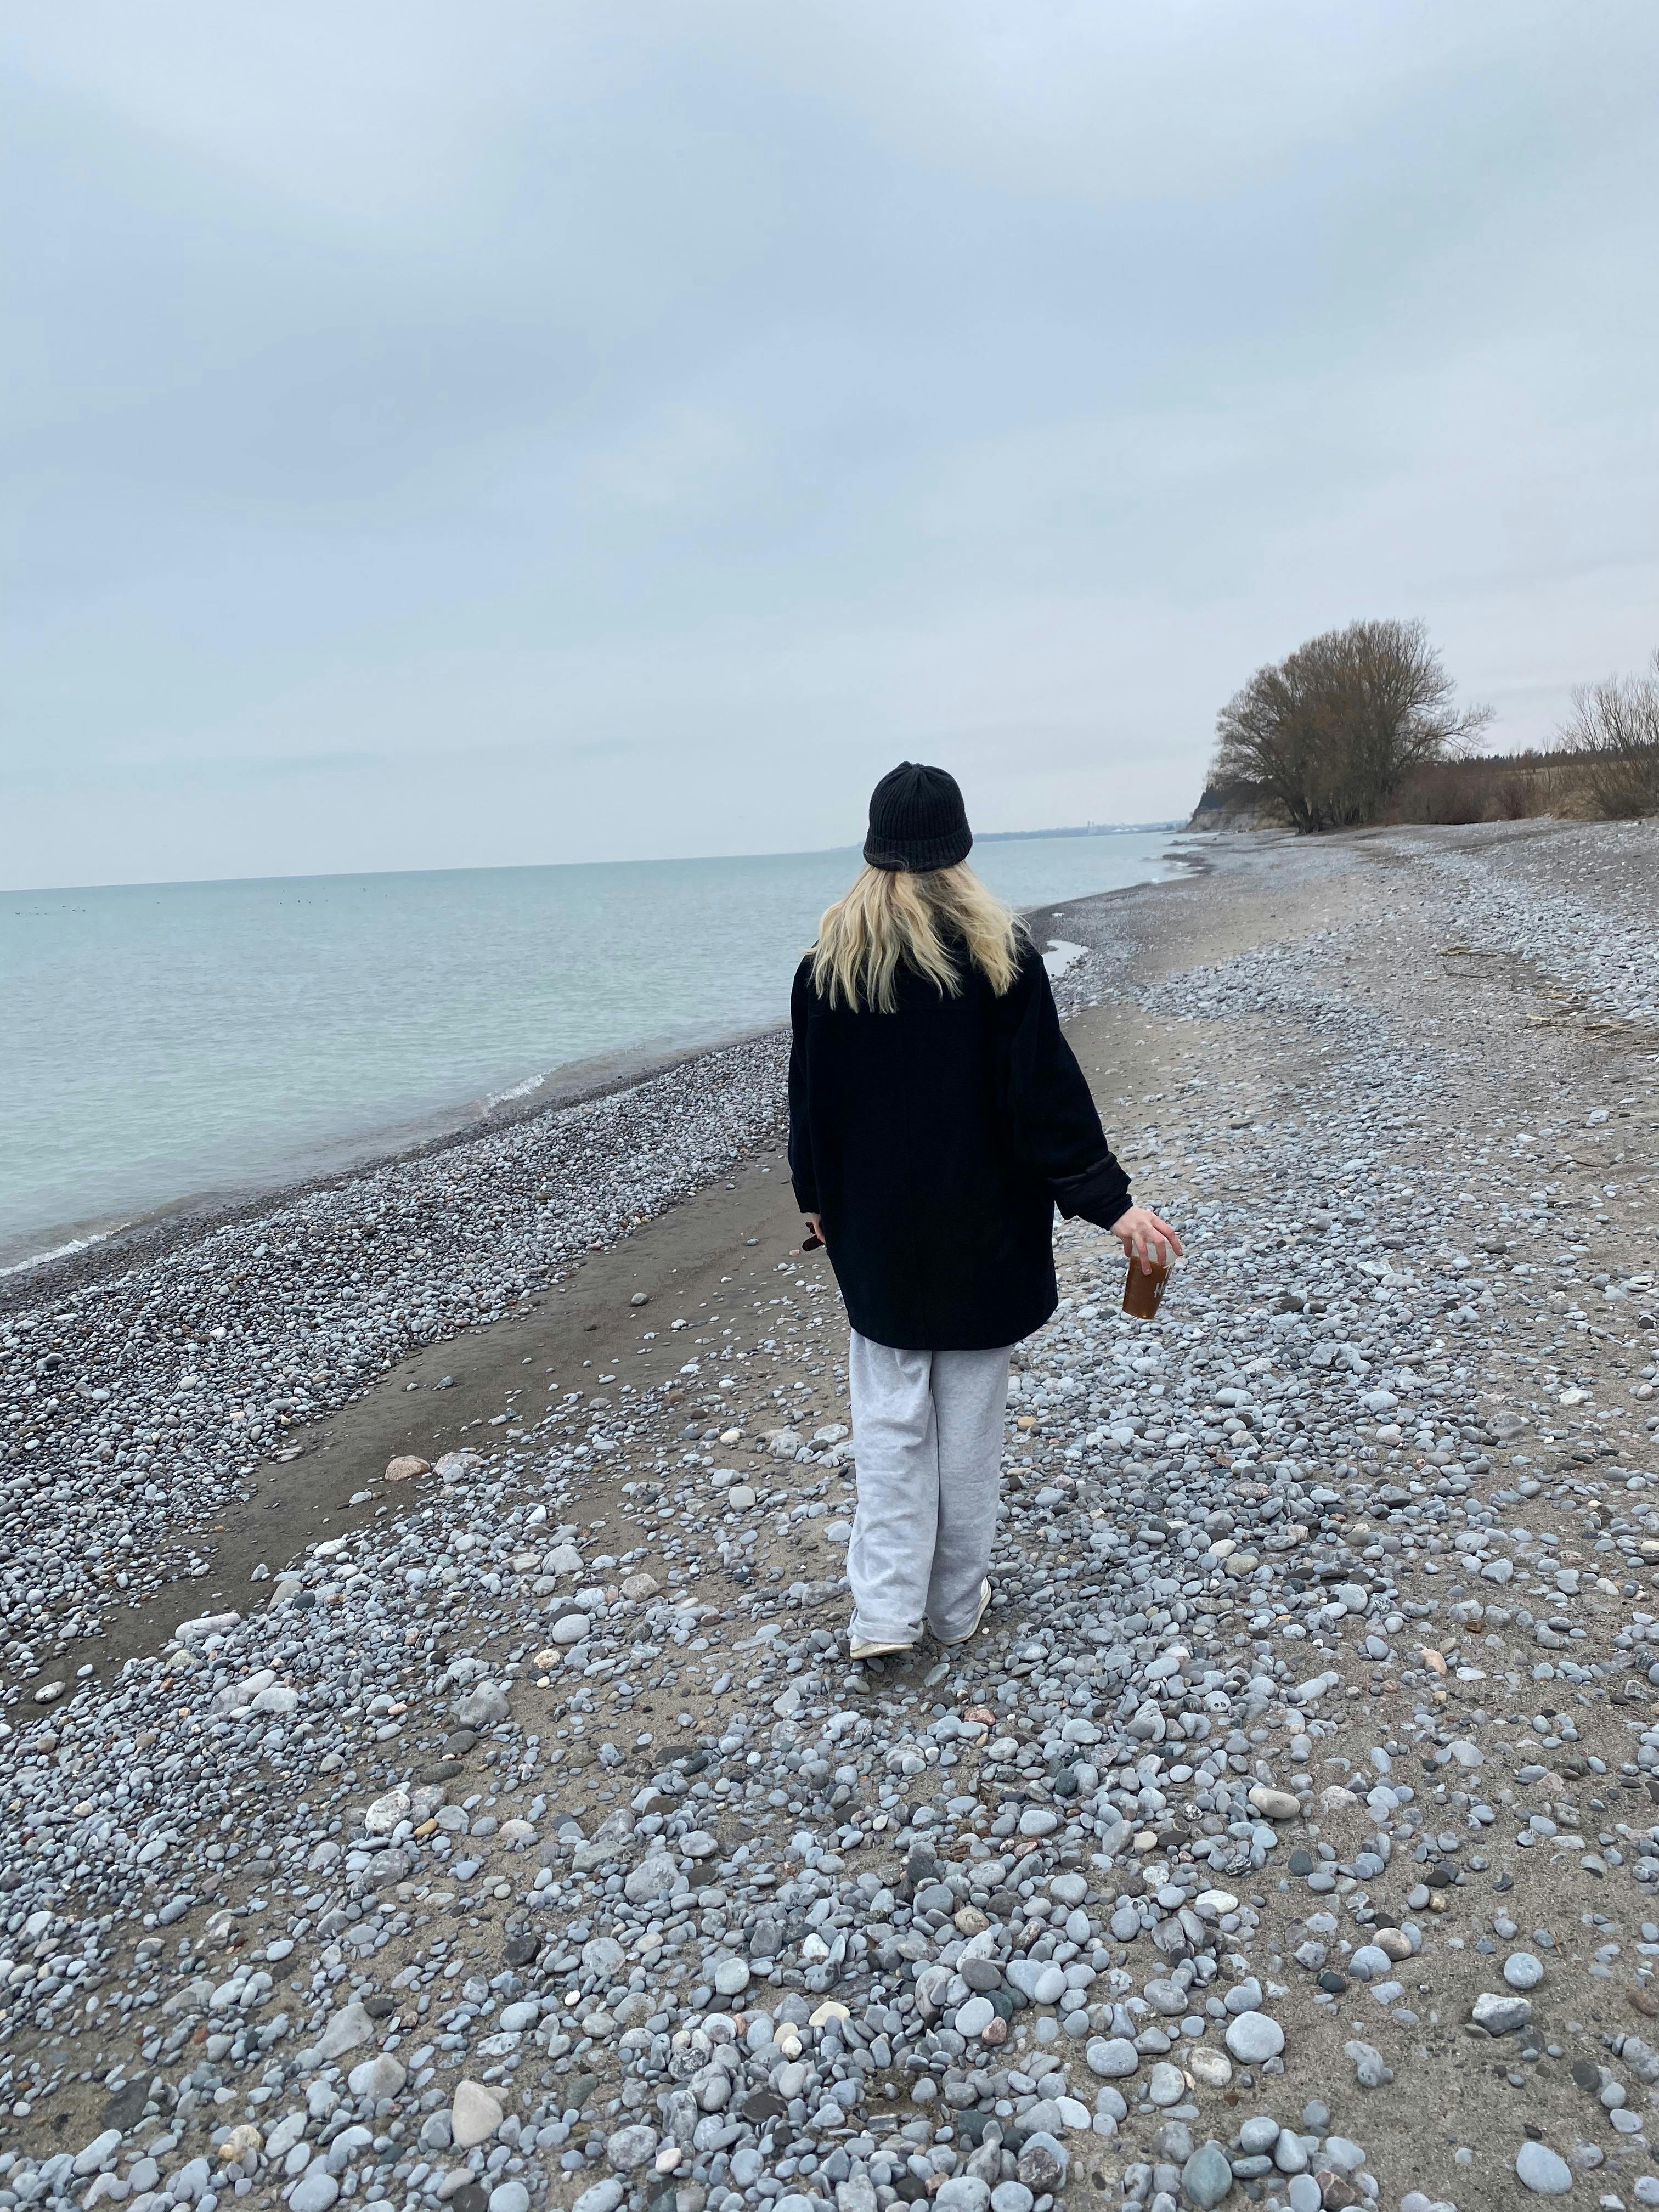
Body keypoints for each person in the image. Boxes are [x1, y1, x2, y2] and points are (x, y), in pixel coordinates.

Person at [788, 761, 1182, 1662]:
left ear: (874, 852)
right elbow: (1046, 1105)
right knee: (967, 1432)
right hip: (985, 1239)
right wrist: (1112, 1206)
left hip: (879, 1241)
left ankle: (884, 1617)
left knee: (890, 1426)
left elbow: (811, 1110)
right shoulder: (1004, 963)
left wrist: (818, 1204)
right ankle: (955, 1607)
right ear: (957, 852)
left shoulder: (827, 974)